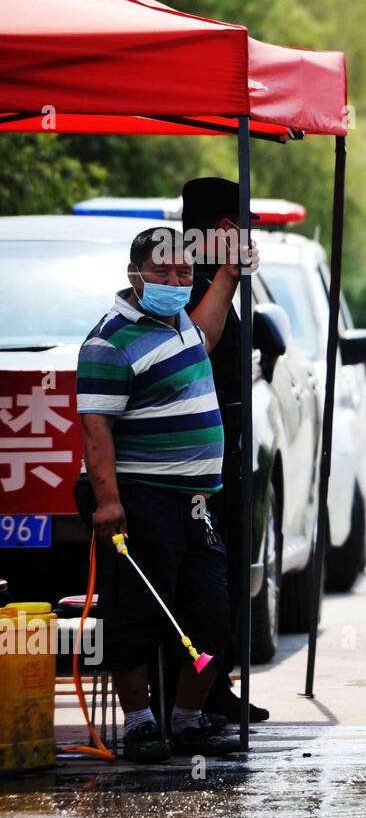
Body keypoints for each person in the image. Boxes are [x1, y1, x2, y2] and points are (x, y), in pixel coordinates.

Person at [76, 227, 242, 762]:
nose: (174, 280)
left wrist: (229, 274)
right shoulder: (109, 341)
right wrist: (108, 501)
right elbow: (96, 427)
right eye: (162, 271)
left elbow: (208, 333)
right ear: (135, 274)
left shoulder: (182, 326)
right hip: (141, 499)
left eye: (183, 272)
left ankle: (189, 719)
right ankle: (140, 723)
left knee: (210, 614)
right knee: (137, 612)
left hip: (195, 504)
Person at [181, 177, 270, 725]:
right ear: (222, 229)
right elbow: (198, 346)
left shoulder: (208, 278)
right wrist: (229, 276)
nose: (249, 240)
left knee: (230, 571)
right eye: (242, 229)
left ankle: (216, 689)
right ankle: (199, 698)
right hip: (198, 459)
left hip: (225, 449)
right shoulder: (190, 283)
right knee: (210, 580)